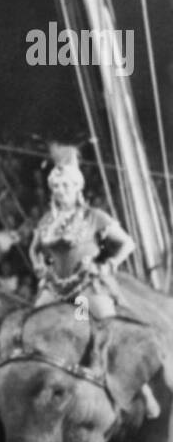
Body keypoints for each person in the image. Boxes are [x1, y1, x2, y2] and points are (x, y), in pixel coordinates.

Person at [29, 147, 159, 417]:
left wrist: (107, 263)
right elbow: (34, 248)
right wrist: (39, 266)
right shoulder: (47, 220)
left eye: (65, 186)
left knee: (108, 328)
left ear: (76, 188)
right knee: (30, 327)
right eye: (57, 187)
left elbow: (127, 243)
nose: (60, 191)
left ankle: (143, 390)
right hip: (55, 287)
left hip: (86, 285)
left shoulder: (94, 217)